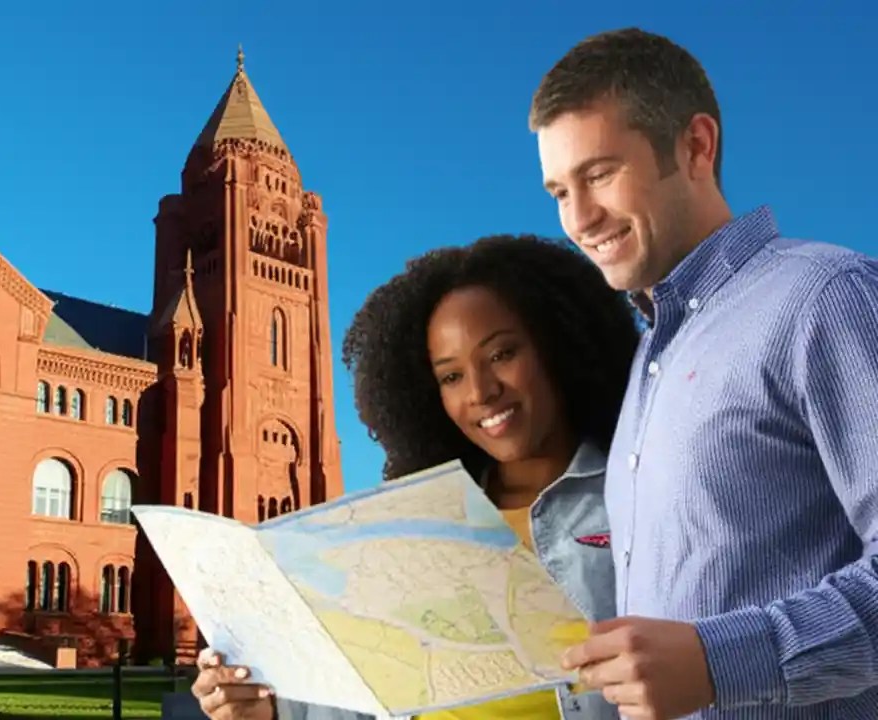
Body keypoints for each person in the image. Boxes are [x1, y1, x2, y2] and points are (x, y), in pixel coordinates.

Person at [530, 27, 878, 720]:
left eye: (599, 175)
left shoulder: (826, 298)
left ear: (695, 146)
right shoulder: (649, 362)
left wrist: (725, 660)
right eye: (559, 191)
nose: (580, 218)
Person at [190, 234, 640, 720]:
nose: (481, 392)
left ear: (559, 342)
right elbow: (377, 684)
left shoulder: (639, 496)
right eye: (451, 376)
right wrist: (266, 706)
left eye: (502, 354)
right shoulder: (425, 522)